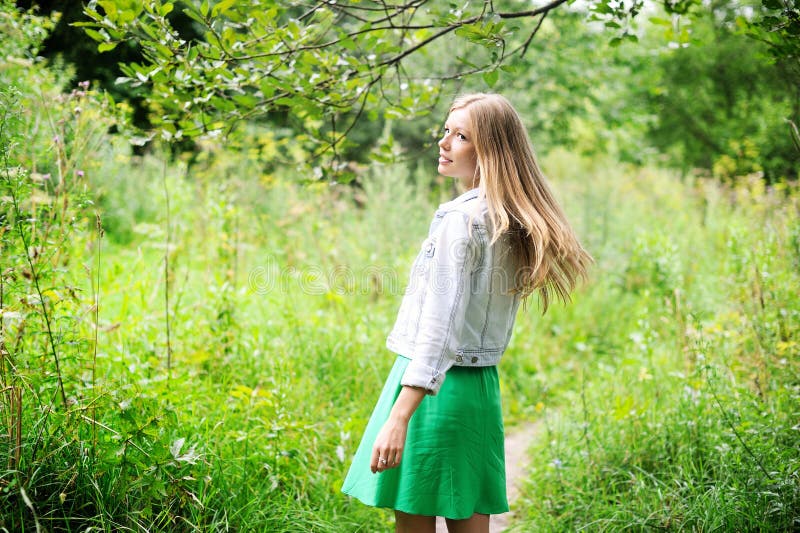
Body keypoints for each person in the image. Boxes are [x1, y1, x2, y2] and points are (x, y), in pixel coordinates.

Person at [341, 93, 592, 533]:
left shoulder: (463, 220)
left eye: (460, 136)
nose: (444, 143)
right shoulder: (508, 218)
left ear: (489, 150)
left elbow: (441, 325)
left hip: (431, 390)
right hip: (477, 389)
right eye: (446, 131)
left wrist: (399, 416)